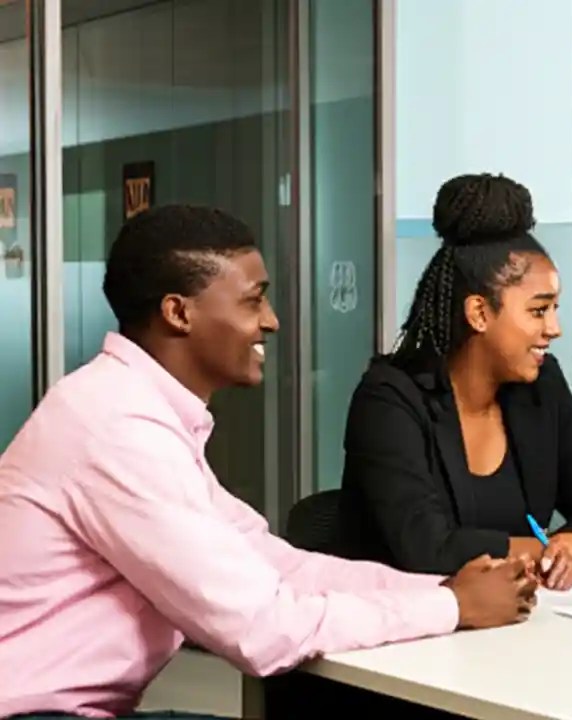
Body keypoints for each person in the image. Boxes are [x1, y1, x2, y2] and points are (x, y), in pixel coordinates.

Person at [0, 205, 537, 720]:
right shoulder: (117, 428)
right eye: (253, 301)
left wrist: (444, 589)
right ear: (179, 313)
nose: (271, 321)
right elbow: (262, 630)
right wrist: (452, 608)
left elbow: (279, 566)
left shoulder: (135, 413)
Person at [336, 173, 572, 587]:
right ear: (479, 313)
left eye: (554, 309)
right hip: (406, 617)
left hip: (518, 617)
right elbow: (426, 548)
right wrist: (549, 551)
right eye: (538, 311)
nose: (554, 329)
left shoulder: (541, 386)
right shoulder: (389, 399)